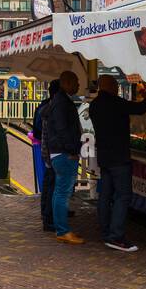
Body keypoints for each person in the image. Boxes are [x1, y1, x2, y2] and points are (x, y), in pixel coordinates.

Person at [87, 75, 146, 252]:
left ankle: (106, 231)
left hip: (104, 156)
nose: (118, 88)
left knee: (105, 195)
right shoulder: (115, 102)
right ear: (111, 86)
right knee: (123, 196)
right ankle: (116, 236)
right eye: (116, 85)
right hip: (119, 157)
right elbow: (139, 108)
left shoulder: (94, 105)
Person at [41, 69, 84, 244]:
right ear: (67, 83)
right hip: (64, 153)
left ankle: (60, 228)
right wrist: (73, 149)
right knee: (62, 192)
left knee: (59, 191)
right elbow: (62, 129)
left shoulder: (58, 101)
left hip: (58, 152)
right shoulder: (62, 103)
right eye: (76, 83)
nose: (78, 86)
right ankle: (62, 230)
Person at [31, 79, 61, 231]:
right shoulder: (52, 107)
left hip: (46, 149)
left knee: (49, 184)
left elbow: (36, 129)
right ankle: (49, 217)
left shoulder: (43, 106)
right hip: (54, 151)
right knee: (53, 185)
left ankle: (47, 213)